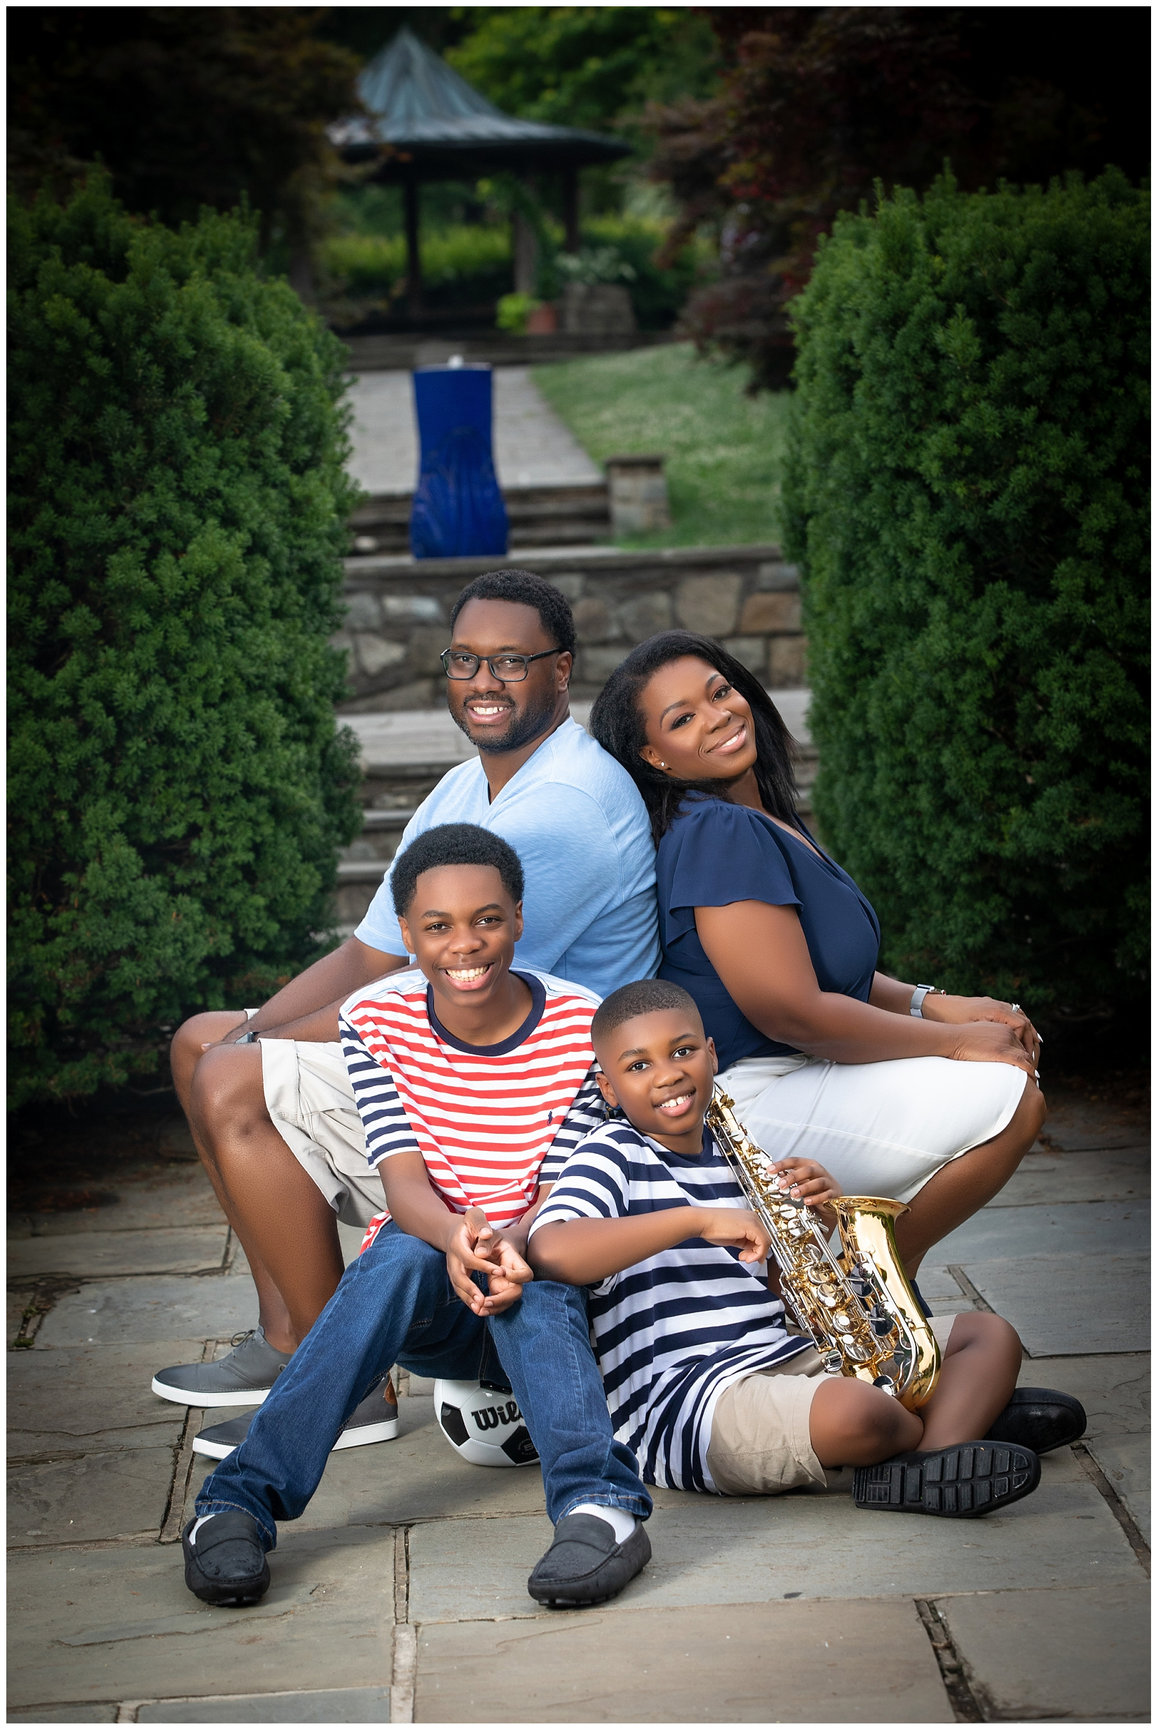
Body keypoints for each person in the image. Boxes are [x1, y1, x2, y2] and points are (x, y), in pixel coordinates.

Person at [153, 570, 660, 1448]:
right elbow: (367, 954)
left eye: (511, 662)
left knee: (231, 1078)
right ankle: (289, 1339)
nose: (484, 683)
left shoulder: (567, 804)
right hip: (459, 1053)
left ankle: (345, 1387)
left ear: (562, 671)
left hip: (540, 1099)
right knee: (202, 1044)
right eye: (466, 660)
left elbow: (448, 989)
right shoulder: (470, 786)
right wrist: (249, 1029)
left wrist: (251, 1049)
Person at [181, 827, 653, 1611]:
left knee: (535, 1275)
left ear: (519, 920)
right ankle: (238, 1501)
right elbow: (402, 1182)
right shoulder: (375, 1019)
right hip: (437, 1294)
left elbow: (570, 1185)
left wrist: (509, 1244)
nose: (464, 944)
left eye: (487, 920)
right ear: (406, 934)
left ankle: (599, 1508)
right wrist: (456, 1239)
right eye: (437, 926)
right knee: (402, 1252)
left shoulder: (582, 1026)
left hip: (553, 1286)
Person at [587, 631, 1047, 1278]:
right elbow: (791, 1011)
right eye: (683, 718)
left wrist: (936, 1005)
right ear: (653, 756)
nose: (717, 715)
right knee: (1008, 1093)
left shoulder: (757, 815)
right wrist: (954, 1041)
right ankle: (872, 1282)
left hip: (796, 1074)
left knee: (997, 1075)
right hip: (746, 1099)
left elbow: (826, 967)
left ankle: (862, 1275)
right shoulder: (720, 831)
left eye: (720, 692)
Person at [528, 980, 1084, 1512]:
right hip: (688, 1402)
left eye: (683, 1051)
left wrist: (817, 1223)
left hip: (779, 1355)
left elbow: (786, 1298)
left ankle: (926, 1462)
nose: (669, 1075)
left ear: (713, 1055)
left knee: (989, 1335)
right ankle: (949, 1434)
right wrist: (694, 1221)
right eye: (639, 1065)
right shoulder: (611, 1152)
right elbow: (551, 1249)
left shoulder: (738, 1150)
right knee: (857, 1412)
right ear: (609, 1088)